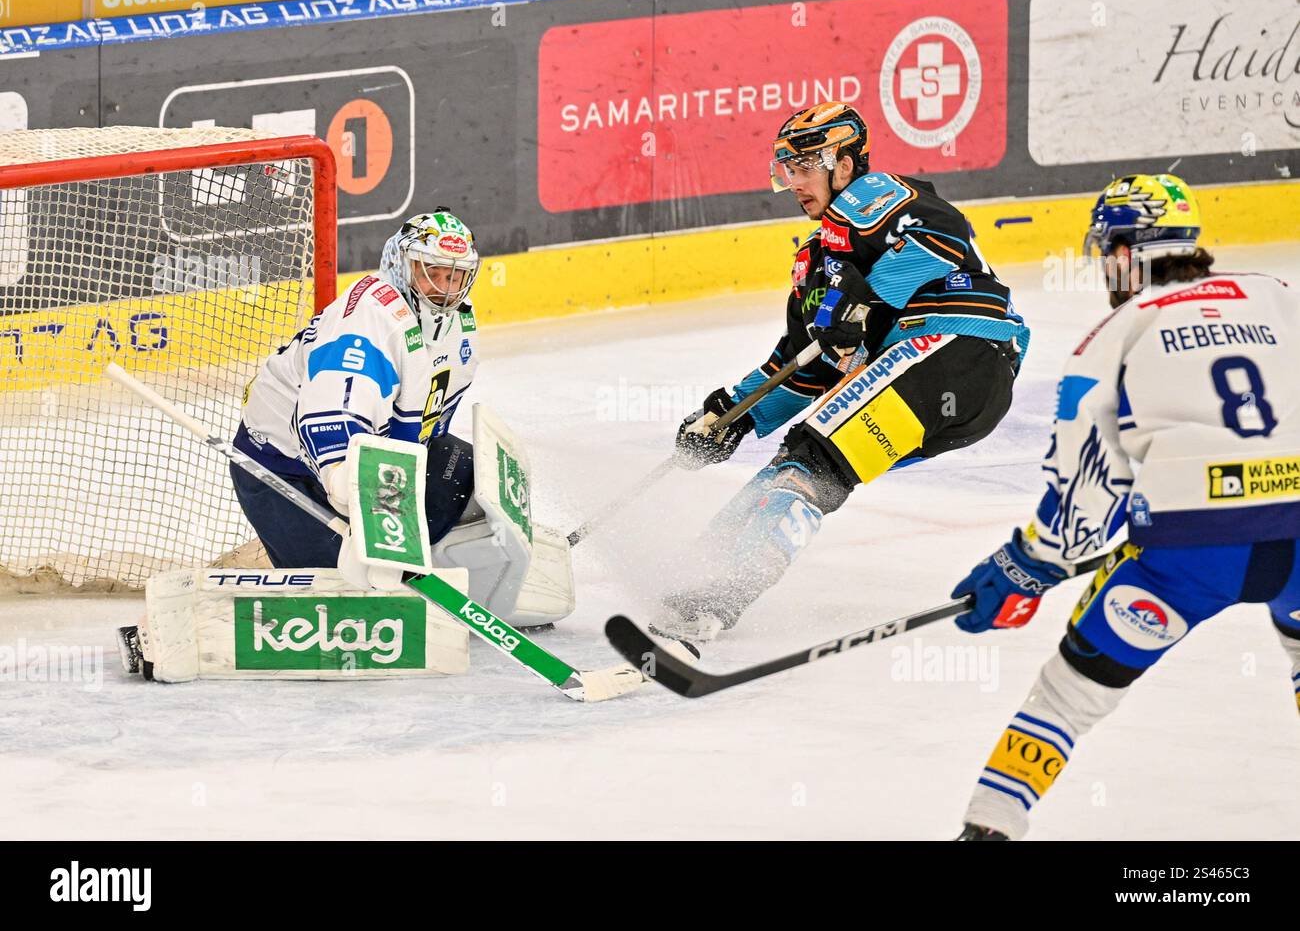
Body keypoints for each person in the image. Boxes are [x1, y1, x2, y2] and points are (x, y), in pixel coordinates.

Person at [951, 174, 1300, 840]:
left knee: (1067, 695)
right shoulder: (1281, 295)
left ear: (1121, 250)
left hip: (1193, 556)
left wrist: (1024, 564)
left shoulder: (1111, 336)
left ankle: (989, 828)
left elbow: (1084, 500)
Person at [653, 101, 1029, 643]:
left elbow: (945, 240)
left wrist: (866, 301)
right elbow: (803, 367)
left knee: (809, 460)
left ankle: (717, 596)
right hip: (956, 397)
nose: (796, 182)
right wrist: (729, 415)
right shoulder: (816, 263)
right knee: (800, 468)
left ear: (845, 164)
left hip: (953, 351)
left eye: (807, 166)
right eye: (789, 169)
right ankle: (693, 583)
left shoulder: (871, 199)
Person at [230, 209, 570, 628]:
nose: (445, 289)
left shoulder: (456, 321)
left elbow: (431, 423)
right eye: (432, 273)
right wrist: (349, 489)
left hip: (381, 466)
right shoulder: (369, 319)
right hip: (285, 474)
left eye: (456, 276)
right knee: (345, 612)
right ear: (401, 264)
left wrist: (393, 515)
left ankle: (480, 580)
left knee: (465, 472)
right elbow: (330, 413)